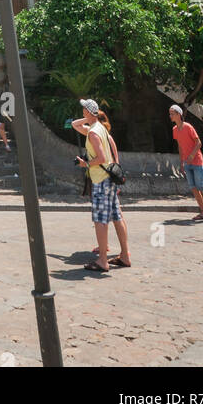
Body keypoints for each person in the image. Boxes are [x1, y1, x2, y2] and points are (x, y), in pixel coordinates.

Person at [72, 98, 130, 273]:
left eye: (84, 109)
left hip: (100, 180)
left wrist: (85, 164)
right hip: (109, 179)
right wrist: (90, 117)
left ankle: (102, 261)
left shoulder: (93, 133)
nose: (82, 111)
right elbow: (75, 124)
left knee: (100, 220)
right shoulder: (99, 128)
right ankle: (125, 255)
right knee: (117, 216)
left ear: (89, 112)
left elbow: (102, 158)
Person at [169, 104, 203, 220]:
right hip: (186, 162)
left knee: (200, 185)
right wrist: (182, 161)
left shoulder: (188, 127)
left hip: (196, 160)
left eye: (172, 113)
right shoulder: (174, 130)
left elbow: (199, 143)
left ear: (179, 114)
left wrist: (191, 156)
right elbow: (180, 146)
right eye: (170, 113)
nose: (170, 116)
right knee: (193, 187)